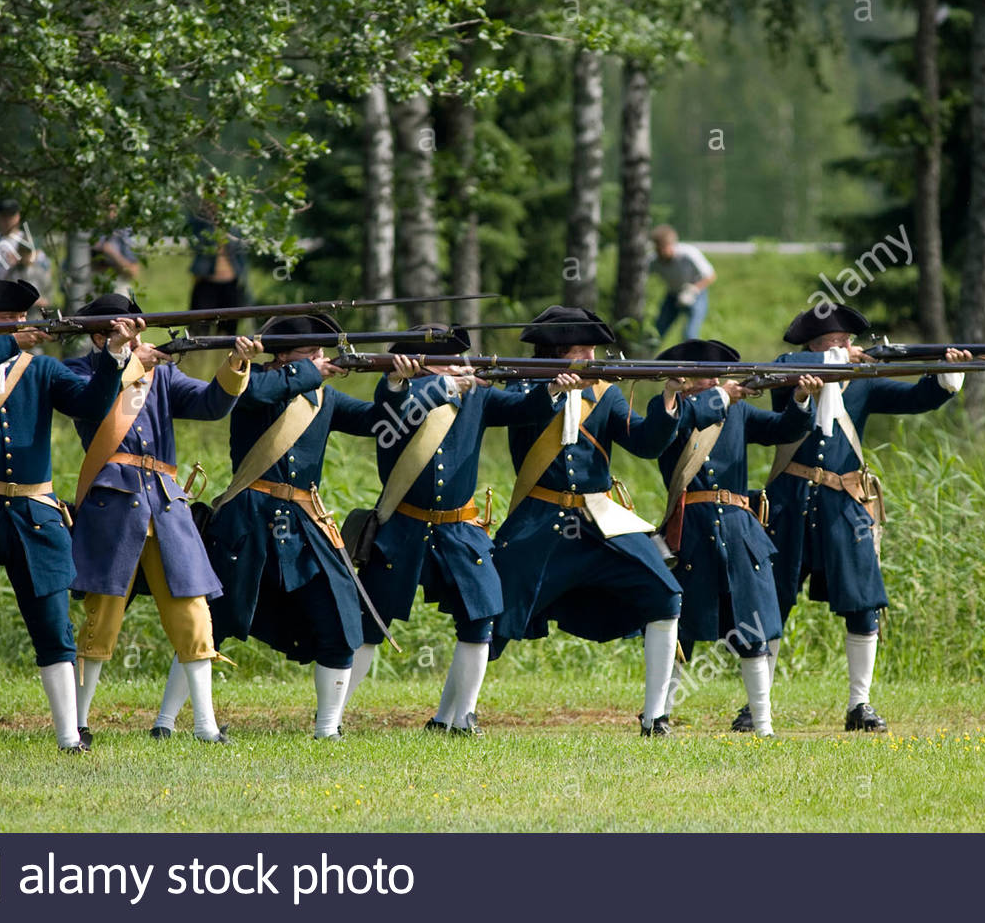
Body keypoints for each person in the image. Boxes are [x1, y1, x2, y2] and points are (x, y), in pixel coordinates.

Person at [154, 315, 417, 740]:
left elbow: (375, 423)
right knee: (207, 623)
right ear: (284, 357)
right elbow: (254, 392)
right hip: (247, 520)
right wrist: (311, 371)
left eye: (320, 353)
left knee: (338, 618)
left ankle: (328, 728)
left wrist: (394, 385)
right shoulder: (254, 381)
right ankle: (165, 722)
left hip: (304, 525)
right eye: (310, 354)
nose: (320, 360)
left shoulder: (321, 398)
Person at [0, 278, 137, 757]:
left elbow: (92, 405)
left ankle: (67, 735)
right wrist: (8, 342)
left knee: (53, 628)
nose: (20, 325)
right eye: (7, 319)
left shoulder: (41, 371)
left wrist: (115, 356)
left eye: (21, 319)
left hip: (33, 515)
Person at [343, 325, 577, 736]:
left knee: (481, 615)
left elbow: (524, 411)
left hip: (458, 528)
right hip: (405, 526)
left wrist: (554, 390)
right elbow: (391, 413)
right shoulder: (399, 395)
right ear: (417, 367)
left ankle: (462, 717)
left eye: (458, 360)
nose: (459, 367)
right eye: (447, 361)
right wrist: (413, 383)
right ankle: (334, 712)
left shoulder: (477, 395)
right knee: (371, 622)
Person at [762, 303, 970, 733]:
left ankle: (860, 704)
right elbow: (781, 365)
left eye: (846, 343)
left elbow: (916, 400)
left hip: (843, 504)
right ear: (813, 348)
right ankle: (756, 703)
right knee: (773, 600)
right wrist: (833, 362)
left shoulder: (863, 384)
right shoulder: (792, 378)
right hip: (790, 498)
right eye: (831, 345)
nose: (844, 349)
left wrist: (945, 374)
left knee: (862, 600)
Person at [64, 293, 258, 745]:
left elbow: (211, 404)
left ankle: (205, 725)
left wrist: (235, 364)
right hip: (114, 502)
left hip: (166, 505)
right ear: (100, 336)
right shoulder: (81, 372)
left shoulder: (161, 373)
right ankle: (78, 723)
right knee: (102, 619)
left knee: (193, 615)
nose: (135, 338)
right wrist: (129, 363)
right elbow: (94, 406)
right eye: (122, 331)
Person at [490, 305, 686, 737]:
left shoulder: (606, 392)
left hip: (599, 521)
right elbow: (519, 412)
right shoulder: (525, 386)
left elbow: (646, 444)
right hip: (539, 519)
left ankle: (656, 717)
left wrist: (669, 398)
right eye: (583, 350)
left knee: (665, 594)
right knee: (491, 617)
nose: (594, 358)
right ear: (558, 355)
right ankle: (452, 714)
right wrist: (555, 392)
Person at [651, 339, 822, 738]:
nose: (713, 381)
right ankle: (659, 716)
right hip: (689, 528)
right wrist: (720, 396)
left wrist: (799, 398)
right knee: (679, 631)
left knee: (753, 627)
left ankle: (763, 725)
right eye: (705, 375)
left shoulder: (738, 410)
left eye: (716, 375)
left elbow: (786, 429)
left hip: (739, 529)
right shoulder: (672, 409)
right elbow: (673, 425)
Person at [188, 201, 250, 336]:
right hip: (206, 281)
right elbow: (197, 242)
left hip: (231, 281)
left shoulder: (234, 219)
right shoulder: (200, 219)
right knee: (199, 330)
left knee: (229, 330)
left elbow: (240, 250)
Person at [650, 225, 715, 342]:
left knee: (689, 333)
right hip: (673, 295)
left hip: (696, 295)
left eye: (663, 248)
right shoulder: (654, 260)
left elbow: (711, 275)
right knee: (657, 332)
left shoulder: (688, 254)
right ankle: (644, 357)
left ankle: (691, 358)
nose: (661, 252)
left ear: (671, 244)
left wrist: (693, 289)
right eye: (658, 248)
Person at [0, 198, 51, 304]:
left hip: (30, 298)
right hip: (1, 297)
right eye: (4, 216)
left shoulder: (26, 239)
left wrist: (24, 259)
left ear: (18, 216)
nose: (7, 220)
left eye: (11, 215)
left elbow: (45, 265)